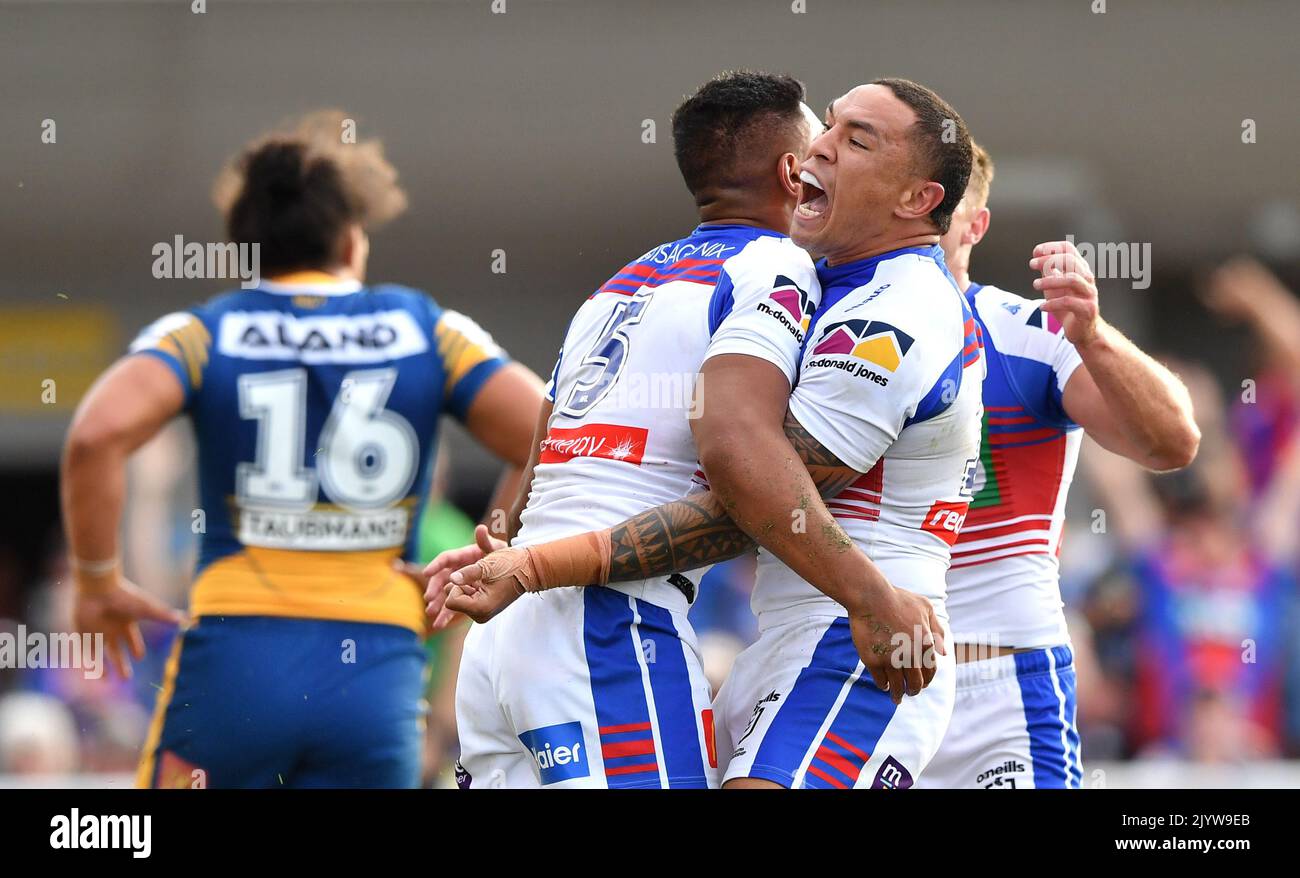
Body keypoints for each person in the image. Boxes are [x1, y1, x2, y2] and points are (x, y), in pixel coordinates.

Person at [444, 79, 983, 789]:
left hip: (847, 644)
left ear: (918, 201)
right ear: (789, 171)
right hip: (658, 623)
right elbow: (747, 470)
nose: (824, 144)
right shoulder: (790, 272)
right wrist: (519, 558)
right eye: (825, 126)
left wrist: (522, 550)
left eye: (855, 140)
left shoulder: (627, 282)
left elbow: (747, 478)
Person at [61, 111, 542, 788]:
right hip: (377, 667)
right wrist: (488, 546)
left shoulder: (205, 331)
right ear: (352, 242)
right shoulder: (427, 329)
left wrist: (95, 582)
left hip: (235, 656)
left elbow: (95, 436)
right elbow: (551, 433)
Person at [913, 144, 1199, 787]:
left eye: (942, 205)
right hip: (857, 674)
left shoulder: (1027, 333)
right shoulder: (820, 330)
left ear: (975, 226)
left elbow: (1173, 441)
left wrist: (1092, 335)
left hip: (998, 683)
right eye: (912, 198)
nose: (920, 219)